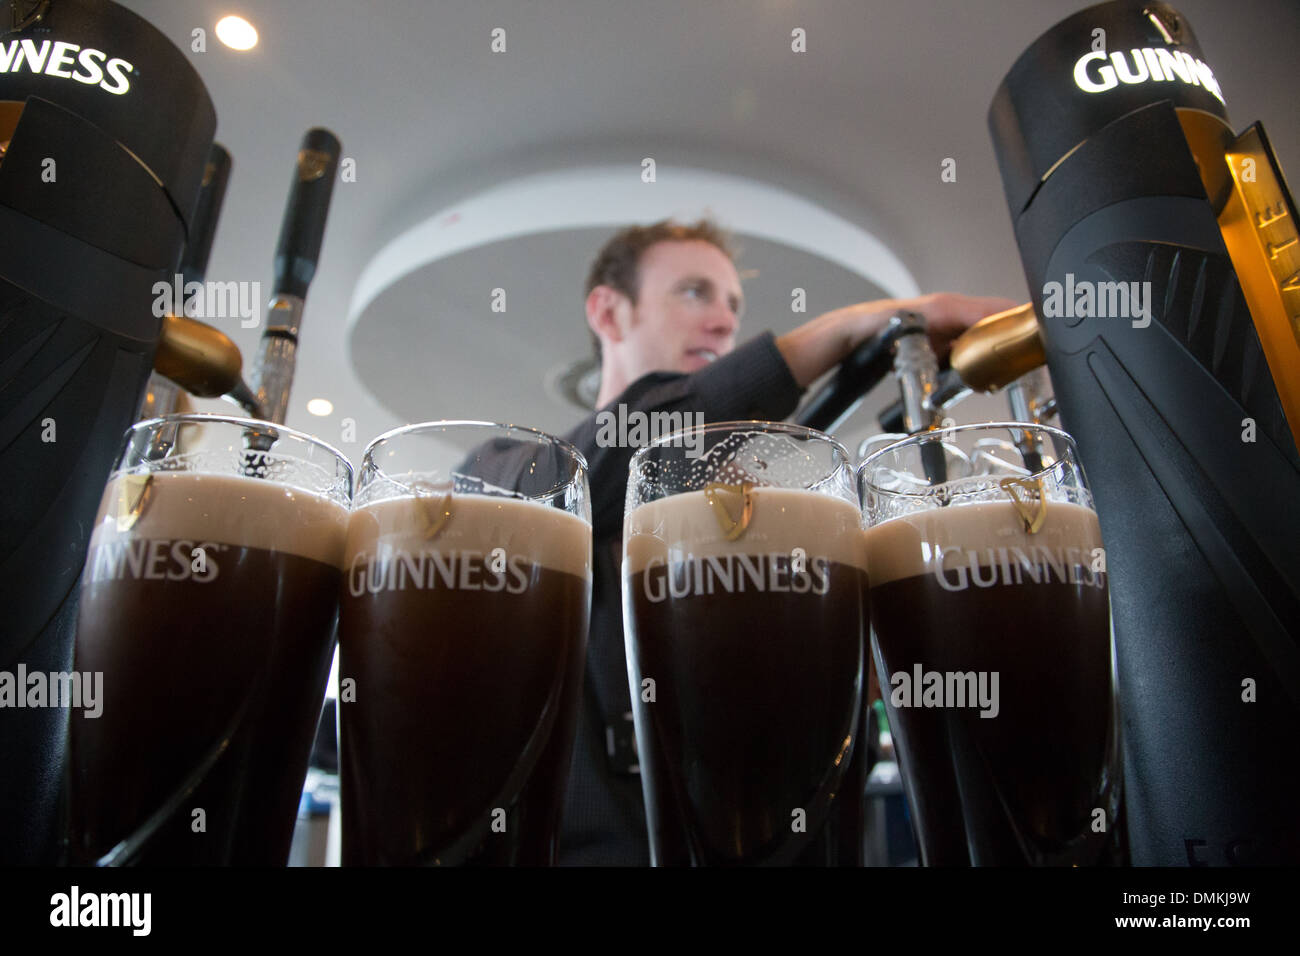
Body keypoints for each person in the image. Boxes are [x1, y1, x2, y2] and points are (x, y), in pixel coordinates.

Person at [555, 218, 1016, 865]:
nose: (722, 321)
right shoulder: (516, 474)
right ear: (608, 310)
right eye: (694, 293)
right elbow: (590, 469)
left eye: (732, 305)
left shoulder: (792, 517)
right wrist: (847, 329)